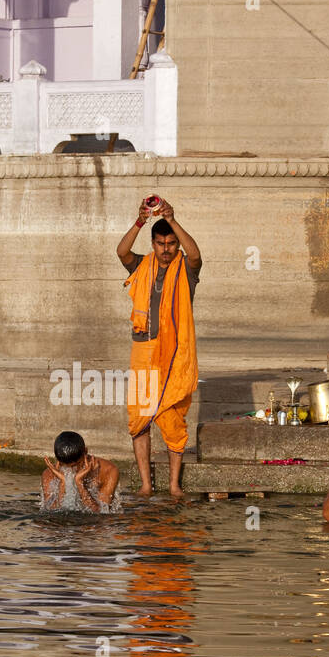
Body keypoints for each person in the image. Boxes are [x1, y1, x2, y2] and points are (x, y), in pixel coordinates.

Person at [116, 196, 201, 497]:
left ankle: (174, 485)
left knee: (172, 416)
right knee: (140, 418)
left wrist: (173, 220)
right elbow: (121, 251)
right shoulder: (141, 265)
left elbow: (196, 254)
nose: (166, 250)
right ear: (152, 244)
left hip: (173, 355)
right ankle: (146, 485)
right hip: (143, 351)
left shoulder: (186, 270)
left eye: (171, 244)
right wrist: (140, 220)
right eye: (160, 244)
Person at [40, 430, 121, 512]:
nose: (71, 470)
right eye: (64, 466)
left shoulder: (108, 471)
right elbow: (51, 511)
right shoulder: (49, 474)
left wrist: (79, 483)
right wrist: (62, 482)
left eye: (75, 465)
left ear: (85, 452)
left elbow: (101, 512)